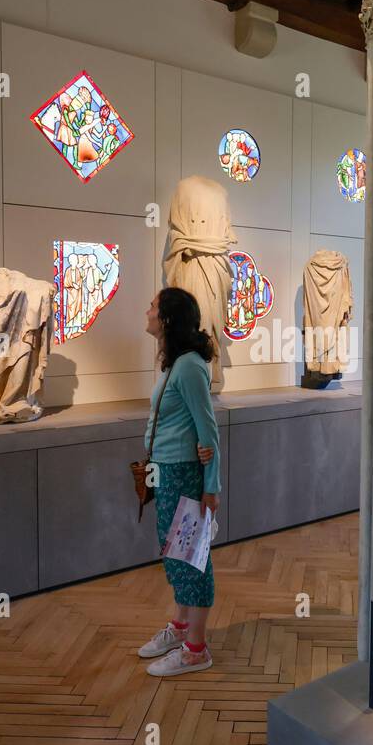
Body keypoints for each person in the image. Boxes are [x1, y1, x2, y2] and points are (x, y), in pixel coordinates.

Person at [137, 287, 221, 675]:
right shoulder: (175, 363)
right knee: (176, 552)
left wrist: (210, 488)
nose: (148, 310)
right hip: (166, 470)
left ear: (168, 318)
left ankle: (195, 650)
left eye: (153, 306)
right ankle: (181, 625)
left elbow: (209, 431)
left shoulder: (187, 366)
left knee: (191, 559)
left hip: (184, 474)